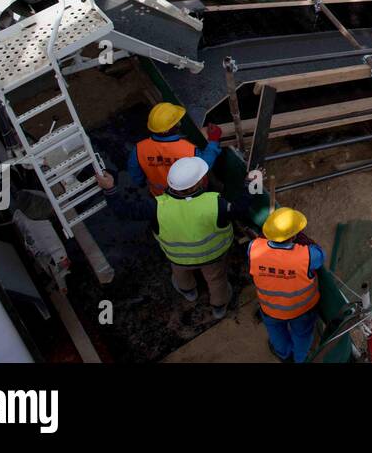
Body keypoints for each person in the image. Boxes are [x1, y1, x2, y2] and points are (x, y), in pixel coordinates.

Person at [154, 156, 233, 319]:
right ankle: (219, 307)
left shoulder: (156, 206)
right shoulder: (216, 203)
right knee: (217, 279)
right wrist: (251, 185)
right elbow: (242, 208)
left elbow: (127, 210)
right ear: (198, 183)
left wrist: (110, 190)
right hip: (212, 257)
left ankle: (188, 291)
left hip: (178, 257)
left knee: (180, 274)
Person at [250, 207, 325, 363]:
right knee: (302, 335)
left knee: (276, 333)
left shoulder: (253, 248)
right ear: (294, 235)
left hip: (269, 309)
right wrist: (302, 239)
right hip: (301, 311)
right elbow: (320, 254)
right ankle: (300, 359)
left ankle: (284, 355)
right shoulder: (307, 255)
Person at [128, 102, 221, 197]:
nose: (178, 122)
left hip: (160, 194)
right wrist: (213, 141)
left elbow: (134, 172)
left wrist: (142, 182)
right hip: (190, 193)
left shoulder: (139, 148)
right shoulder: (188, 149)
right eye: (176, 121)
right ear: (169, 129)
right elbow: (204, 164)